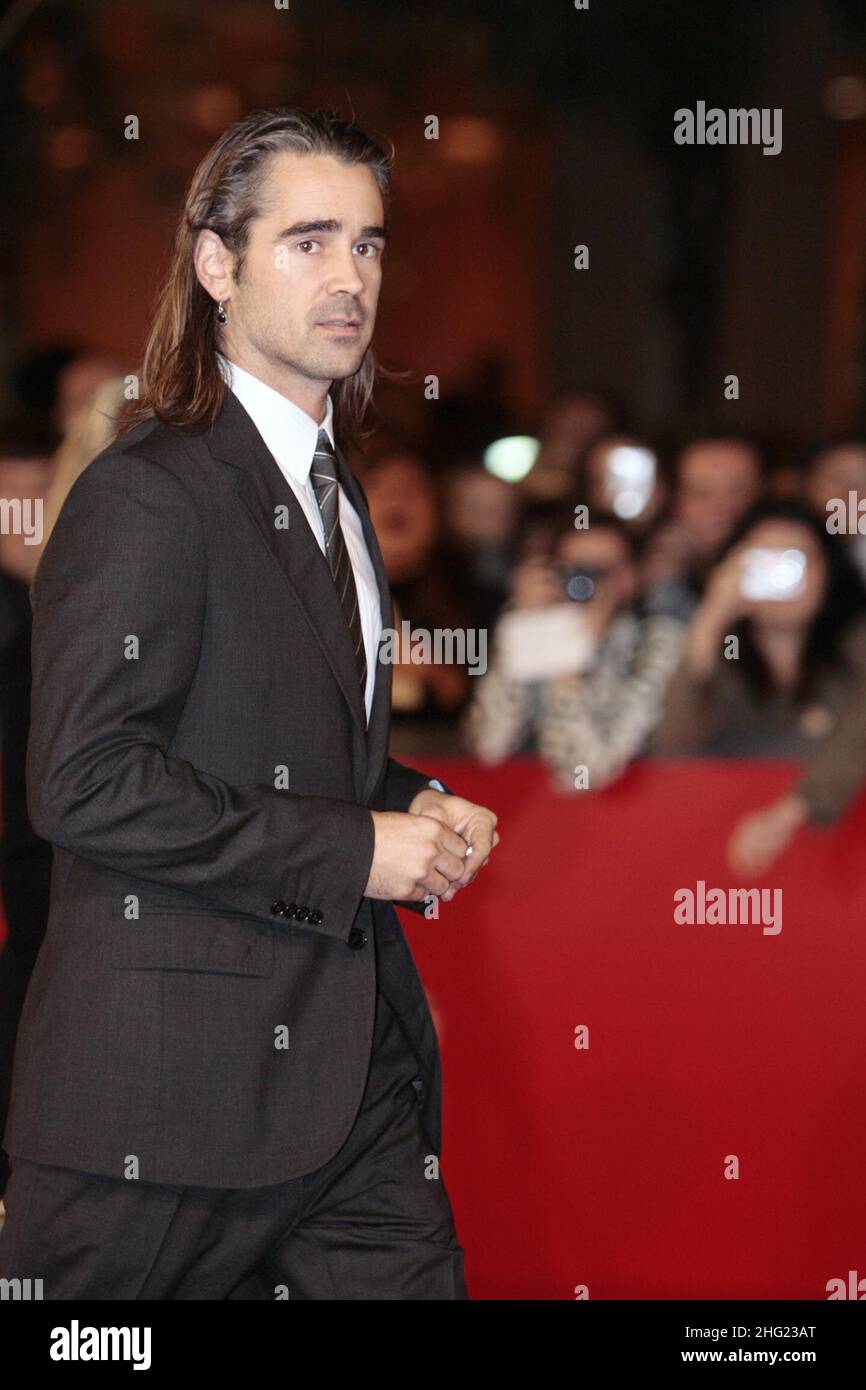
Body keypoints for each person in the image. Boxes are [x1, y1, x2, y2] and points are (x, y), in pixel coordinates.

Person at [0, 106, 499, 1300]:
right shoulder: (148, 493)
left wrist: (409, 802)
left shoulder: (336, 491)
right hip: (168, 1103)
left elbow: (273, 743)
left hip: (349, 1079)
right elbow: (83, 779)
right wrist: (352, 849)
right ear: (218, 265)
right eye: (310, 241)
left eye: (369, 246)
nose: (349, 279)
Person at [652, 498, 866, 872]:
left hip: (841, 864)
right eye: (763, 560)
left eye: (796, 560)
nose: (781, 576)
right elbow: (674, 745)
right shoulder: (721, 658)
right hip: (723, 867)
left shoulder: (857, 649)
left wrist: (793, 809)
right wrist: (709, 621)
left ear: (828, 572)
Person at [462, 511, 686, 791]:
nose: (589, 584)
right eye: (577, 570)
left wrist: (569, 657)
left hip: (623, 817)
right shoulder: (529, 627)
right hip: (526, 815)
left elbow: (587, 773)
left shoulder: (656, 641)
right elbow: (488, 747)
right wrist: (524, 627)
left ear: (631, 576)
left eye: (603, 572)